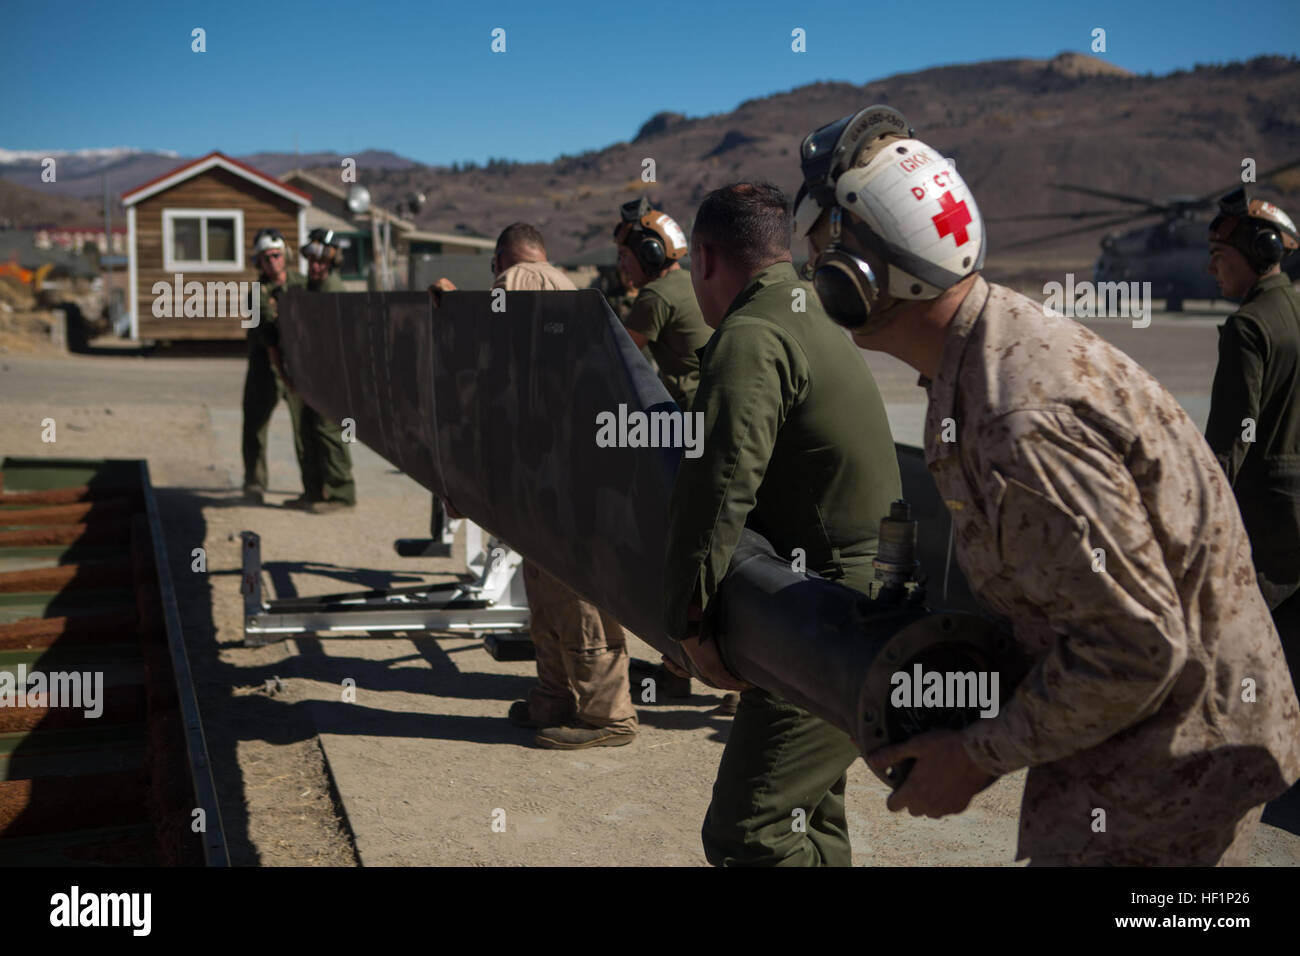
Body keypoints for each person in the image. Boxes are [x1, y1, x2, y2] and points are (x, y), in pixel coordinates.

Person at [793, 106, 1300, 865]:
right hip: (1145, 730)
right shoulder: (986, 352)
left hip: (1172, 758)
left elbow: (1132, 646)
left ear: (855, 282)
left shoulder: (1012, 421)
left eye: (820, 259)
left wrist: (976, 757)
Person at [661, 182, 902, 866]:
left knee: (750, 830)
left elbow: (717, 488)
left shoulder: (752, 333)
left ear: (705, 259)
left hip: (829, 612)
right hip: (859, 597)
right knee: (809, 816)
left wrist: (688, 624)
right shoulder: (811, 311)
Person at [438, 223, 640, 749]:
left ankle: (608, 716)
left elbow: (496, 373)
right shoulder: (572, 288)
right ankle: (555, 697)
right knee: (548, 586)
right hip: (572, 464)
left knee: (574, 593)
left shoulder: (515, 282)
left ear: (501, 257)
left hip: (550, 469)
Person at [1203, 189, 1300, 661]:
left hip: (1267, 523)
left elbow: (1233, 437)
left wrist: (1197, 515)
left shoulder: (1249, 328)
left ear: (1257, 254)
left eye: (1219, 256)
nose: (1211, 269)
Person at [613, 198, 713, 410]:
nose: (621, 266)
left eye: (624, 256)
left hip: (690, 411)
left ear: (650, 255)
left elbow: (616, 356)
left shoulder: (655, 294)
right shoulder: (693, 280)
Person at [292, 229, 357, 514]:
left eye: (322, 262)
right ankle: (314, 490)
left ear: (331, 263)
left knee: (329, 433)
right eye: (312, 261)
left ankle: (342, 494)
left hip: (330, 375)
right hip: (311, 373)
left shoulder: (332, 289)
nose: (316, 267)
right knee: (308, 432)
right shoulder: (311, 288)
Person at [241, 227, 307, 505]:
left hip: (298, 364)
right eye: (266, 258)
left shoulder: (302, 285)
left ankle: (313, 487)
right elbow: (268, 329)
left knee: (306, 428)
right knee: (255, 426)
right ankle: (255, 483)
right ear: (259, 262)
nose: (272, 262)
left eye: (276, 255)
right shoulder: (255, 294)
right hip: (264, 366)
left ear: (286, 256)